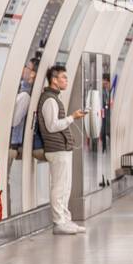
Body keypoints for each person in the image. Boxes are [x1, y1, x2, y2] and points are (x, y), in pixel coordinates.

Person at [37, 65, 87, 235]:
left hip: (63, 148)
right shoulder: (50, 100)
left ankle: (66, 219)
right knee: (59, 187)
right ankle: (58, 222)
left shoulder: (54, 98)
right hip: (56, 148)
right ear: (54, 80)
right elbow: (52, 126)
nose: (66, 80)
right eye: (63, 77)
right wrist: (72, 117)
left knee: (66, 186)